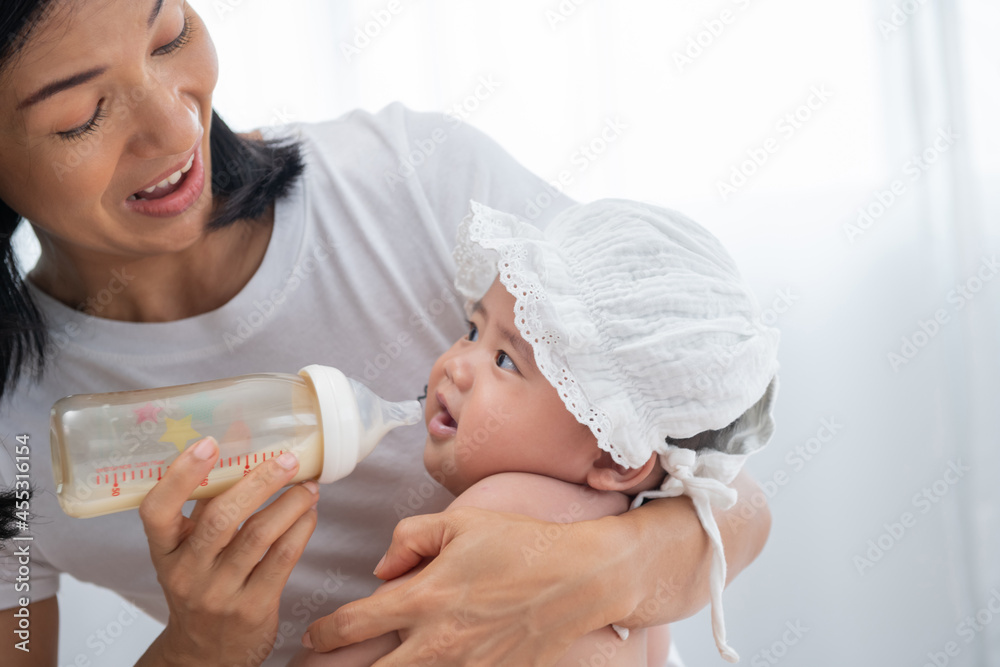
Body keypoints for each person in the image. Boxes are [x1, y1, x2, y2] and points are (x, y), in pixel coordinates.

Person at [0, 2, 772, 665]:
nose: (175, 128)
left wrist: (594, 568)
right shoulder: (14, 439)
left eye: (168, 34)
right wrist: (199, 646)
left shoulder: (413, 179)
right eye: (79, 114)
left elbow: (726, 485)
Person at [290, 200, 779, 667]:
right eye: (473, 330)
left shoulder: (505, 504)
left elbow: (362, 645)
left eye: (505, 361)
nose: (457, 366)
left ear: (614, 457)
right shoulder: (636, 574)